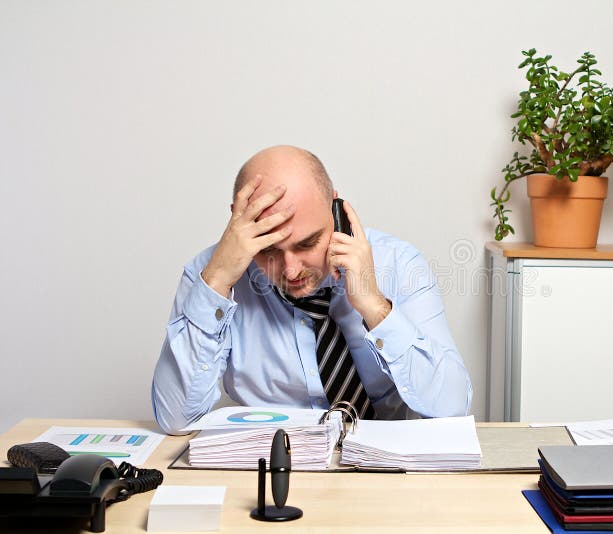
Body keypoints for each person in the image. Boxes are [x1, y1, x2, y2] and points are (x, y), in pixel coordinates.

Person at [152, 145, 472, 434]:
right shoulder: (209, 274)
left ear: (336, 209)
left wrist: (374, 306)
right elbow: (176, 419)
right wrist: (217, 283)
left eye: (307, 243)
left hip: (384, 468)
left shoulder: (400, 264)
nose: (290, 269)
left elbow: (452, 407)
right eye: (269, 250)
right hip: (272, 460)